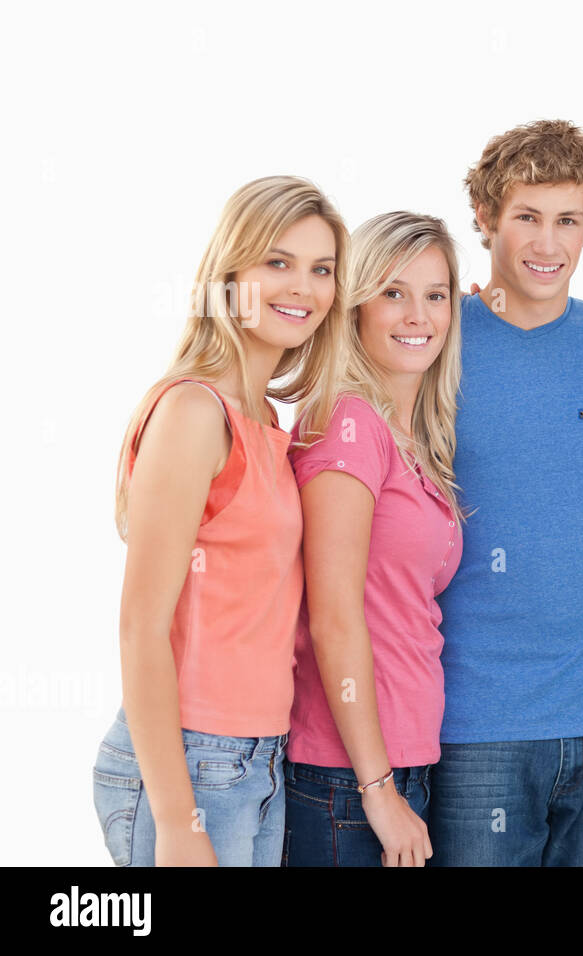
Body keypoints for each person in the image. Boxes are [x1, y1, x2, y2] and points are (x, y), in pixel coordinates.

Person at [92, 176, 347, 866]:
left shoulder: (267, 422)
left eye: (321, 269)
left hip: (260, 760)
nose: (303, 286)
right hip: (191, 762)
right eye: (278, 262)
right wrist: (179, 820)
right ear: (229, 274)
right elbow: (140, 626)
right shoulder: (193, 413)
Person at [428, 119, 583, 866]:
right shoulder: (432, 337)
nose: (547, 243)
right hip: (479, 718)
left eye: (568, 220)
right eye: (526, 216)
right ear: (487, 217)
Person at [281, 212, 465, 867]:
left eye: (435, 295)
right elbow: (333, 617)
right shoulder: (347, 425)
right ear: (356, 305)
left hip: (404, 762)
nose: (418, 314)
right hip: (345, 781)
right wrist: (377, 789)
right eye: (393, 292)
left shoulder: (415, 441)